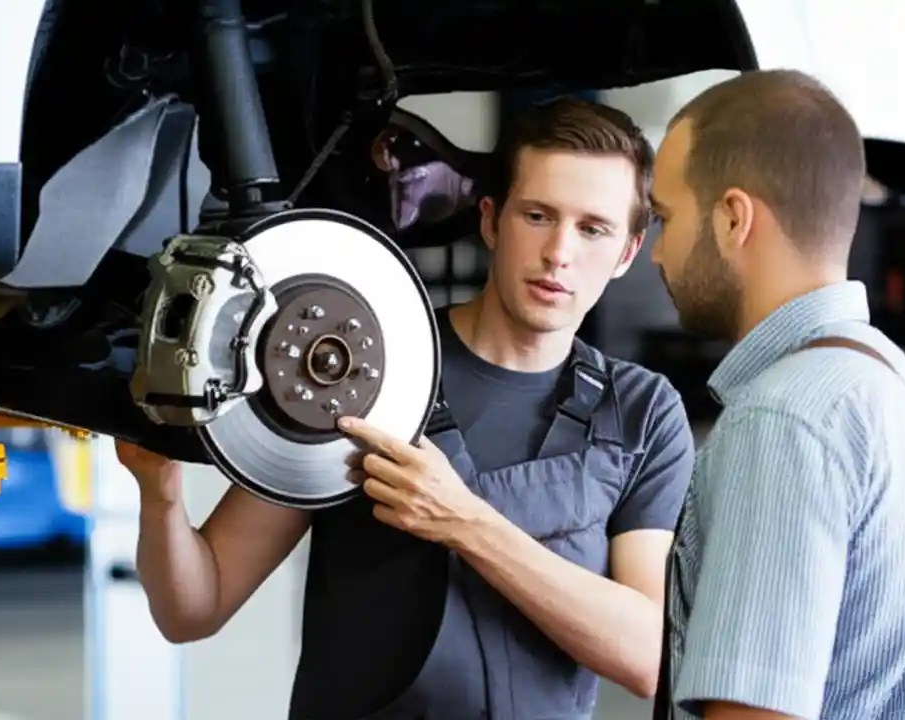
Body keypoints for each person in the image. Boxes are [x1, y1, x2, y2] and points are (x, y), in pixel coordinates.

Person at [117, 96, 696, 719]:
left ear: (627, 251)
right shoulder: (367, 368)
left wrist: (465, 523)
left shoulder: (640, 412)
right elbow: (193, 608)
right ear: (492, 220)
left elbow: (647, 656)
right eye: (537, 215)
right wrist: (161, 496)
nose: (560, 252)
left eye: (593, 228)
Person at [648, 69, 905, 720]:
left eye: (666, 218)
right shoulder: (883, 378)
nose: (657, 254)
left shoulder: (784, 417)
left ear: (732, 218)